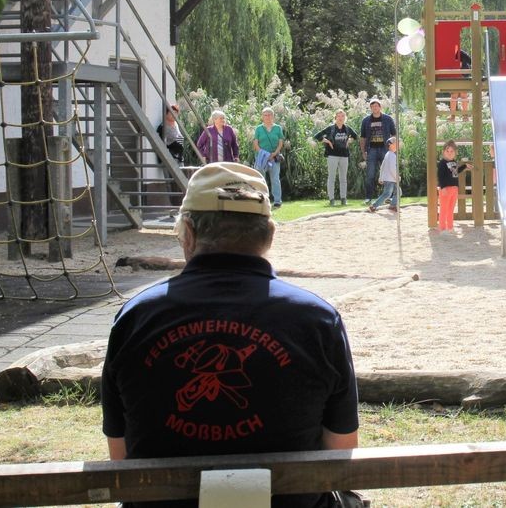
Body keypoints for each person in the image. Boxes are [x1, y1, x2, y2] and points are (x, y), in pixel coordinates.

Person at [101, 162, 359, 508]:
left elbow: (120, 456)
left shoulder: (135, 318)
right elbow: (340, 452)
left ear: (187, 233)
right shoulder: (317, 321)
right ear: (269, 235)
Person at [314, 109, 359, 207]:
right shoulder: (331, 128)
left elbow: (355, 136)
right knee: (332, 178)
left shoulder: (347, 128)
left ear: (345, 118)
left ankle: (343, 199)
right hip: (332, 155)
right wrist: (328, 142)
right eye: (338, 116)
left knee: (343, 179)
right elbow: (317, 136)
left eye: (342, 116)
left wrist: (349, 140)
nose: (340, 118)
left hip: (344, 155)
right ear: (335, 117)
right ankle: (332, 199)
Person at [359, 97, 397, 202]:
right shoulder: (365, 120)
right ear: (370, 108)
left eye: (376, 106)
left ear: (380, 107)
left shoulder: (388, 119)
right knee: (370, 174)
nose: (374, 108)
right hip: (371, 150)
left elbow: (394, 134)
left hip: (386, 150)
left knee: (388, 173)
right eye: (372, 106)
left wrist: (393, 149)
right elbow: (363, 137)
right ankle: (368, 197)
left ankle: (389, 197)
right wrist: (363, 151)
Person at [253, 107, 286, 208]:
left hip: (274, 157)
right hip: (261, 158)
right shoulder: (259, 128)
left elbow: (280, 142)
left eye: (269, 115)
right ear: (262, 117)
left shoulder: (277, 128)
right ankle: (261, 198)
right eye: (265, 115)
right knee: (260, 179)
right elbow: (255, 143)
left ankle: (277, 201)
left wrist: (274, 153)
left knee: (275, 179)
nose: (267, 117)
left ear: (273, 116)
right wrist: (265, 154)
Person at [436, 140, 469, 232]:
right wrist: (442, 187)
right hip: (445, 189)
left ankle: (450, 227)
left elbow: (455, 172)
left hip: (454, 189)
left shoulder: (454, 162)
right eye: (448, 151)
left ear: (455, 153)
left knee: (450, 209)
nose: (450, 153)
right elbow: (440, 176)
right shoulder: (442, 163)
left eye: (452, 151)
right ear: (443, 152)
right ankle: (442, 228)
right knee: (444, 209)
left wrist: (465, 166)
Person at [368, 136, 400, 213]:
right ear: (391, 145)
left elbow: (382, 166)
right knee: (387, 194)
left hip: (391, 178)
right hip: (390, 179)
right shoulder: (391, 155)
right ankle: (373, 206)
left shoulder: (389, 154)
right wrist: (397, 177)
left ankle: (392, 205)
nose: (398, 144)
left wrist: (380, 177)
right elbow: (392, 168)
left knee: (398, 192)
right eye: (396, 143)